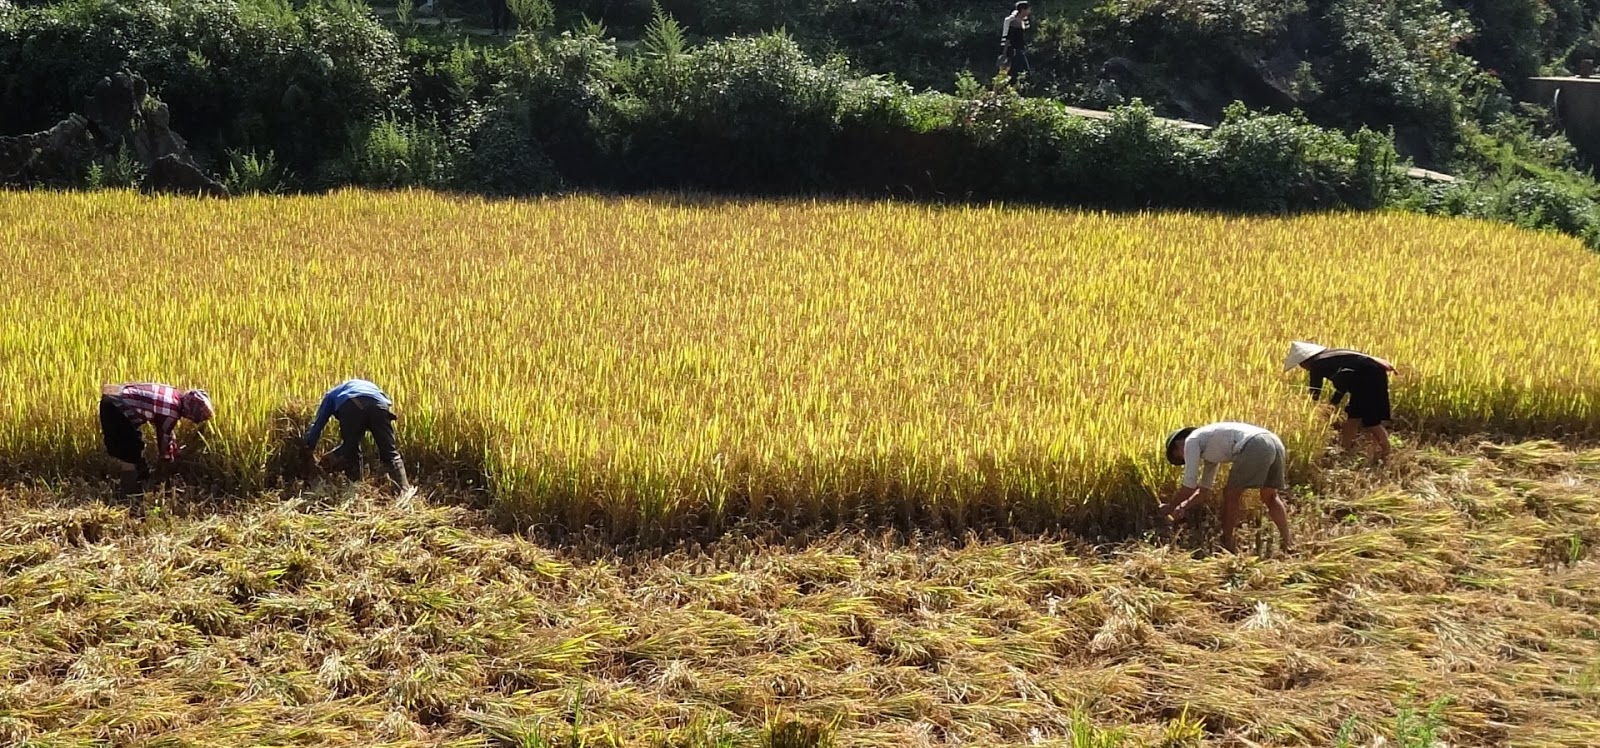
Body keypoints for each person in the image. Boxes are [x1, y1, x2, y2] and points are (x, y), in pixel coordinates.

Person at [1159, 422, 1294, 554]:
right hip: (1274, 442)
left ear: (1178, 444)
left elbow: (1189, 486)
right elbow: (1204, 491)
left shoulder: (1191, 441)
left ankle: (1227, 544)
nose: (1185, 459)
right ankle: (1288, 543)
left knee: (1231, 494)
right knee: (1270, 496)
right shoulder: (1209, 446)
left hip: (1254, 444)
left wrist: (1170, 507)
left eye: (1180, 456)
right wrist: (1183, 506)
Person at [1284, 341, 1395, 462]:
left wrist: (1316, 408)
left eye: (1300, 364)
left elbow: (1315, 390)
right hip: (1371, 375)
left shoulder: (1317, 364)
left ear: (1305, 360)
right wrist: (1331, 404)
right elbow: (1343, 383)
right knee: (1354, 417)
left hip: (1366, 380)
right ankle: (1345, 451)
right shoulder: (1331, 356)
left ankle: (1386, 453)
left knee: (1371, 421)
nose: (1302, 368)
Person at [99, 383, 214, 498]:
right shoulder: (171, 412)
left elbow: (164, 427)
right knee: (129, 449)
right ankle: (129, 491)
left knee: (133, 442)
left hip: (113, 394)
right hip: (117, 406)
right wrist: (167, 460)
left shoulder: (173, 393)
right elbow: (163, 437)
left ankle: (141, 478)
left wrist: (172, 446)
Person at [303, 378, 410, 490]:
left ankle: (354, 487)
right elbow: (386, 401)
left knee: (351, 451)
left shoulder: (331, 396)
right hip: (379, 406)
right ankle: (404, 490)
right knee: (390, 453)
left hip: (352, 404)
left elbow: (318, 423)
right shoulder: (371, 387)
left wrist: (309, 445)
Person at [1000, 1, 1032, 83]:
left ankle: (1010, 87)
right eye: (1028, 9)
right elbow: (1009, 37)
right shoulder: (1014, 22)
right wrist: (1004, 52)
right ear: (1022, 10)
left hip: (1020, 49)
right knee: (1023, 71)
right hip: (1014, 50)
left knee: (1013, 72)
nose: (1029, 11)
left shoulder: (1023, 21)